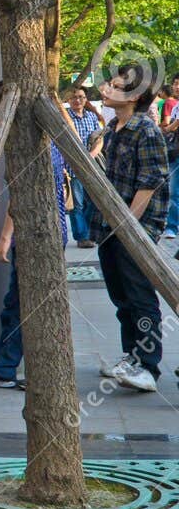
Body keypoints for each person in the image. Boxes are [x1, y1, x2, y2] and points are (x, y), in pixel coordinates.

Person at [88, 63, 170, 392]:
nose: (107, 88)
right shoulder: (114, 129)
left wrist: (129, 228)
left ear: (134, 97)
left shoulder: (146, 130)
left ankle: (149, 367)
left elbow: (150, 184)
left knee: (140, 297)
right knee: (121, 296)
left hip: (135, 227)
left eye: (116, 85)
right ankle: (131, 357)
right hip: (112, 226)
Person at [0, 142, 69, 390]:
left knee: (23, 307)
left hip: (37, 237)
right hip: (45, 235)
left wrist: (5, 237)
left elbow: (21, 197)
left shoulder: (30, 148)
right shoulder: (50, 145)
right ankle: (7, 367)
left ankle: (13, 370)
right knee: (19, 306)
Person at [63, 85, 105, 247]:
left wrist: (91, 155)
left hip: (92, 165)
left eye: (81, 97)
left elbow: (99, 138)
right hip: (72, 166)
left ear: (86, 99)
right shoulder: (65, 117)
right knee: (77, 203)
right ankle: (82, 236)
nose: (77, 100)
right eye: (74, 97)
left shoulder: (91, 117)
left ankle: (89, 231)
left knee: (93, 201)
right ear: (68, 100)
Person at [161, 74, 179, 239]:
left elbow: (172, 126)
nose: (177, 87)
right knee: (173, 192)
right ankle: (172, 226)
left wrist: (169, 128)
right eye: (175, 84)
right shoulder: (174, 107)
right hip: (175, 154)